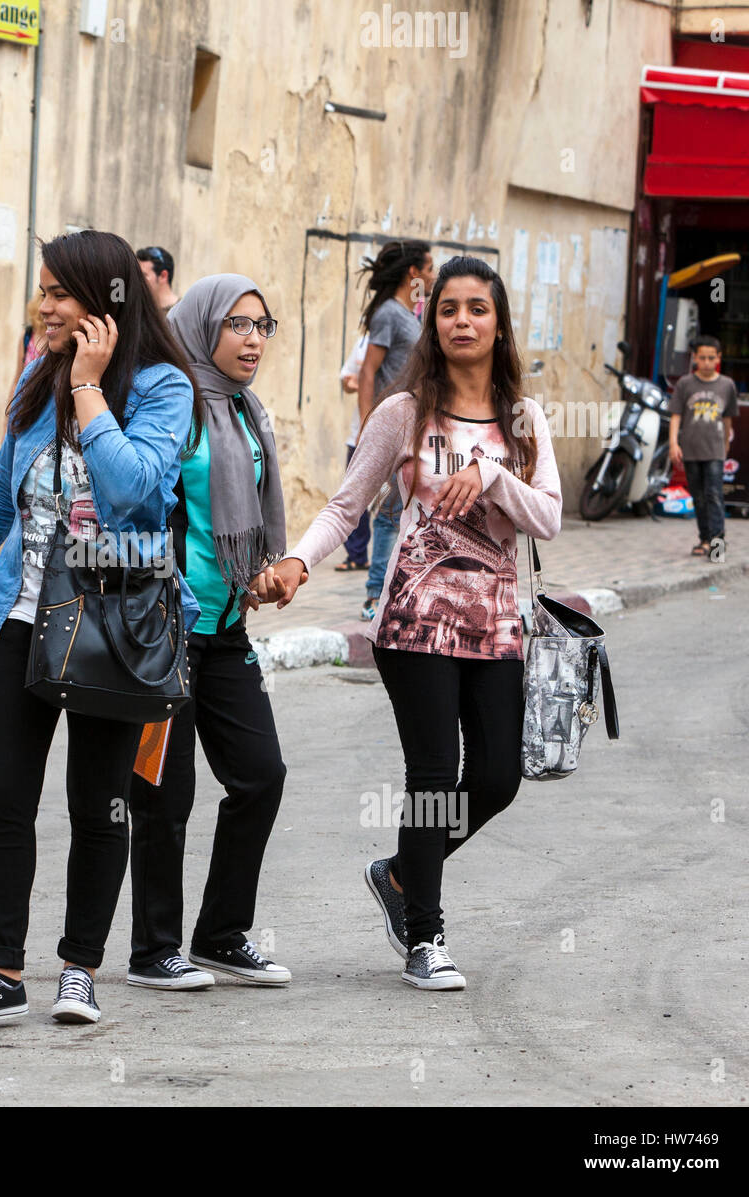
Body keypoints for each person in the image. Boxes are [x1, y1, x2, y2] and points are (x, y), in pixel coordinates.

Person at [0, 230, 202, 1029]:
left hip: (116, 623)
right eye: (41, 291)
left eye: (58, 293)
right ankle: (1, 970)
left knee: (98, 802)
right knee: (3, 799)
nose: (43, 306)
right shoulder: (34, 383)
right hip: (20, 618)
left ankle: (80, 968)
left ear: (104, 303)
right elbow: (2, 496)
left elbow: (134, 490)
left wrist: (90, 389)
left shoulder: (163, 388)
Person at [273, 255, 562, 991]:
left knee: (497, 775)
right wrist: (300, 562)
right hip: (414, 623)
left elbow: (550, 518)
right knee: (433, 773)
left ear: (499, 325)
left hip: (495, 625)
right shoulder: (403, 413)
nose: (462, 321)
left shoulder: (524, 422)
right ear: (432, 325)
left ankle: (401, 872)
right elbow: (347, 505)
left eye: (478, 309)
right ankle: (425, 934)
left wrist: (494, 475)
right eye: (448, 310)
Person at [126, 274, 294, 993]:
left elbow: (252, 515)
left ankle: (222, 934)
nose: (253, 339)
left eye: (262, 326)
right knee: (164, 791)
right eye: (238, 325)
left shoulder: (248, 410)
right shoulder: (174, 404)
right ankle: (153, 949)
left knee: (261, 775)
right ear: (201, 328)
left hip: (226, 630)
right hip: (166, 633)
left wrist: (263, 569)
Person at [357, 240, 434, 620]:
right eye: (430, 267)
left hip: (414, 426)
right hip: (390, 427)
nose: (435, 274)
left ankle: (393, 589)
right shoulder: (389, 313)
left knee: (403, 512)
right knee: (387, 514)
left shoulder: (412, 314)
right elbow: (368, 371)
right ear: (413, 273)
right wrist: (368, 425)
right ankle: (374, 597)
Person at [669, 335, 737, 560]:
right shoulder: (685, 384)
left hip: (715, 450)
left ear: (718, 358)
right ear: (695, 358)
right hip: (691, 449)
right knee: (698, 496)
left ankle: (717, 543)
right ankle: (704, 539)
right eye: (702, 358)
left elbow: (728, 419)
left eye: (711, 358)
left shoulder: (727, 385)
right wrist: (673, 443)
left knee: (714, 495)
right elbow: (676, 416)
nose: (707, 362)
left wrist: (726, 443)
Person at [336, 332, 371, 570]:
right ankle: (357, 555)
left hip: (392, 433)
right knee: (354, 497)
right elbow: (346, 379)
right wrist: (354, 383)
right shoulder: (362, 341)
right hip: (358, 434)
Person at [137, 245, 181, 313]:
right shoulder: (139, 312)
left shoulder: (184, 311)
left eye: (143, 275)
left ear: (163, 276)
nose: (138, 279)